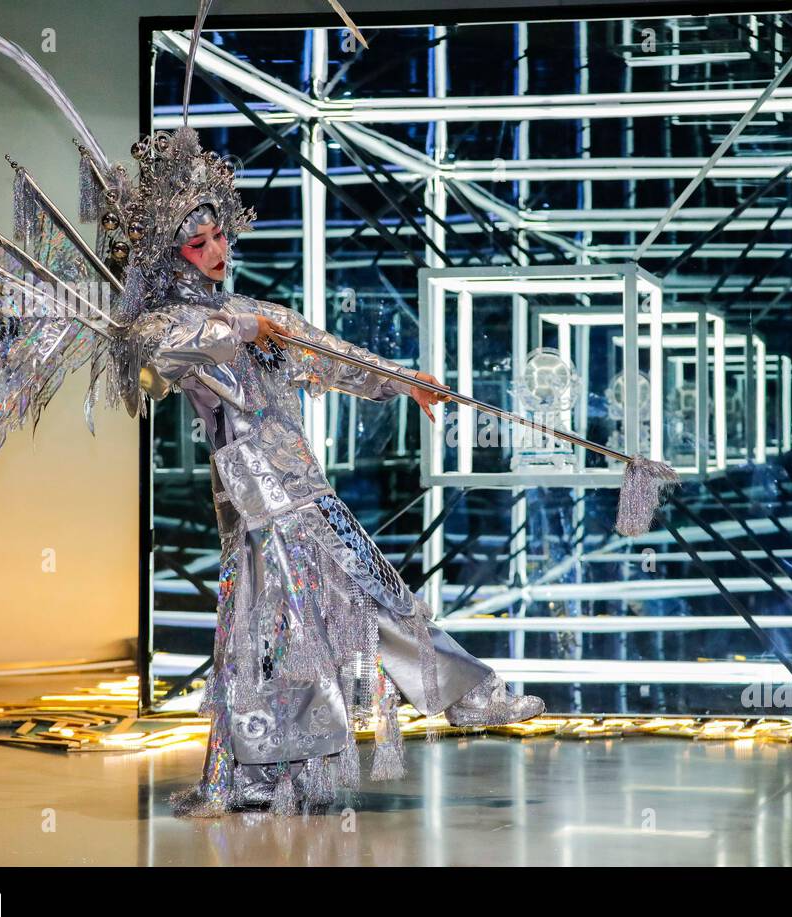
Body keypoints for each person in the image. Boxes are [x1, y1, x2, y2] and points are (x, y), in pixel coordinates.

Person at [121, 128, 544, 816]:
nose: (218, 253)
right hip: (253, 496)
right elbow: (156, 352)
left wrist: (404, 381)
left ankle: (463, 694)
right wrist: (242, 332)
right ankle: (254, 774)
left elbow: (332, 355)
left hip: (299, 488)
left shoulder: (258, 314)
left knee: (367, 592)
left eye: (220, 238)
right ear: (174, 256)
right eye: (200, 245)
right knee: (264, 633)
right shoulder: (170, 323)